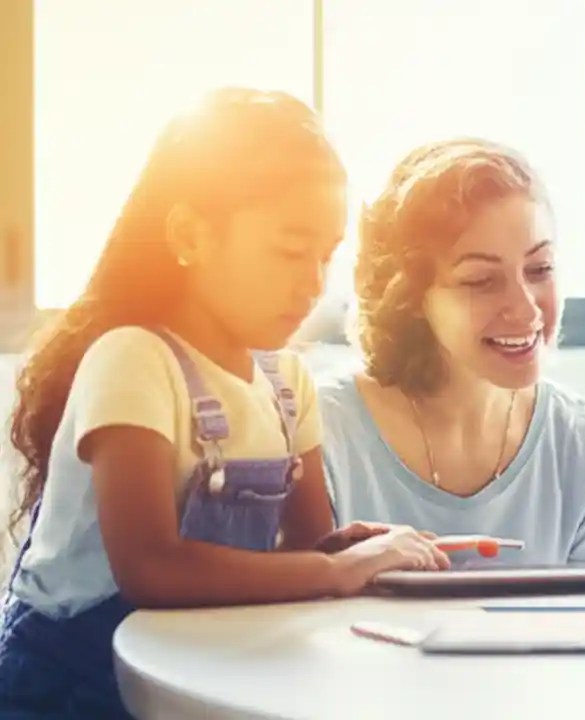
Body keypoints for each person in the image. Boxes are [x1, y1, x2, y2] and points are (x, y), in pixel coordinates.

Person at [0, 89, 446, 719]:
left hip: (197, 662)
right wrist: (337, 570)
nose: (313, 284)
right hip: (69, 683)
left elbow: (303, 555)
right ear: (190, 234)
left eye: (326, 257)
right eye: (289, 251)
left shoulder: (288, 383)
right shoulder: (133, 357)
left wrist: (354, 549)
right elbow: (151, 569)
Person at [320, 139, 585, 566]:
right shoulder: (323, 432)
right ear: (410, 296)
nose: (526, 309)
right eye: (482, 281)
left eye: (540, 269)